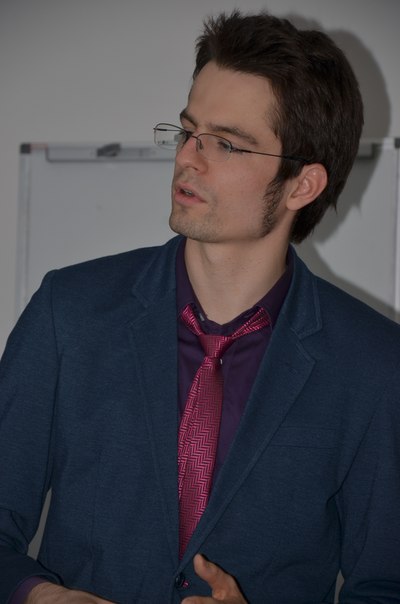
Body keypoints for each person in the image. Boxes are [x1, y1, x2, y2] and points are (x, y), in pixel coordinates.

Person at [0, 9, 399, 604]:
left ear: (303, 185)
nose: (189, 157)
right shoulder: (69, 314)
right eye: (188, 131)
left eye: (227, 144)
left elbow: (386, 586)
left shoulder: (374, 364)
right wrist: (38, 595)